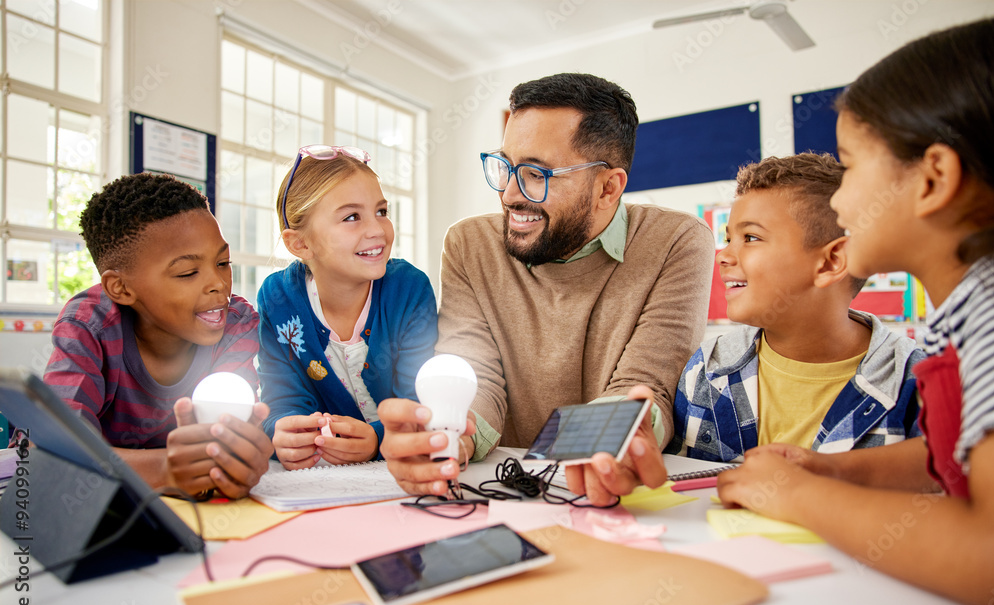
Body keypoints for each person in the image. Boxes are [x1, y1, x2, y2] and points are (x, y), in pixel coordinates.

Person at [717, 17, 994, 605]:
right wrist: (831, 471)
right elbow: (950, 458)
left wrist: (797, 495)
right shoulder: (966, 315)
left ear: (933, 180)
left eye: (851, 167)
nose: (840, 200)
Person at [378, 73, 715, 504]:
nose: (510, 194)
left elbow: (648, 383)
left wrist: (603, 445)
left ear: (608, 188)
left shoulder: (677, 241)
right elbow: (476, 374)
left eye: (537, 173)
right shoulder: (468, 244)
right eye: (506, 167)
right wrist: (452, 436)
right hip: (499, 493)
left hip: (622, 497)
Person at [671, 153, 924, 461]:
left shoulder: (918, 385)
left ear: (831, 261)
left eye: (750, 237)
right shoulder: (705, 370)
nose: (724, 256)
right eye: (728, 238)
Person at [44, 173, 272, 499]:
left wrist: (240, 459)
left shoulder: (236, 325)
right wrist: (164, 470)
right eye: (187, 273)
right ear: (120, 288)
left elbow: (230, 447)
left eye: (223, 262)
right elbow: (57, 448)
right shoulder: (89, 326)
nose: (219, 284)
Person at [257, 146, 437, 470]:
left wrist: (378, 440)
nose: (378, 230)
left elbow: (422, 403)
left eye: (382, 211)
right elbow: (280, 402)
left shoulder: (409, 290)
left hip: (404, 472)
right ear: (300, 243)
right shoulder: (277, 299)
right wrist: (282, 435)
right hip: (320, 479)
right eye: (352, 217)